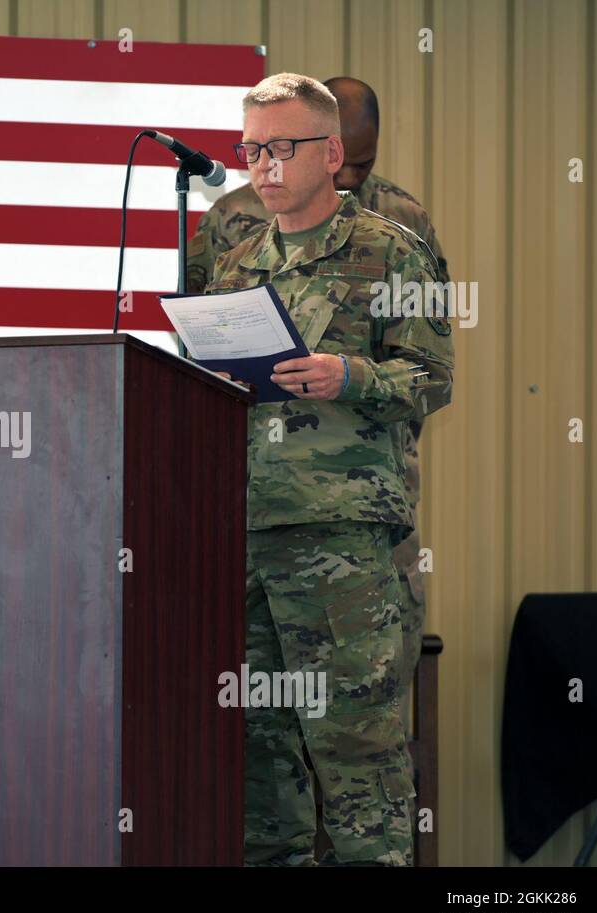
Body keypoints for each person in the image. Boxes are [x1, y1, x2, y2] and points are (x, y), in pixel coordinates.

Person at [205, 73, 454, 865]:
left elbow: (432, 378)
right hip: (244, 536)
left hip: (340, 539)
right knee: (253, 754)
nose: (265, 167)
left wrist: (352, 376)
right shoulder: (237, 263)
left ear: (331, 152)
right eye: (252, 150)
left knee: (356, 751)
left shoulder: (390, 251)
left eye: (283, 147)